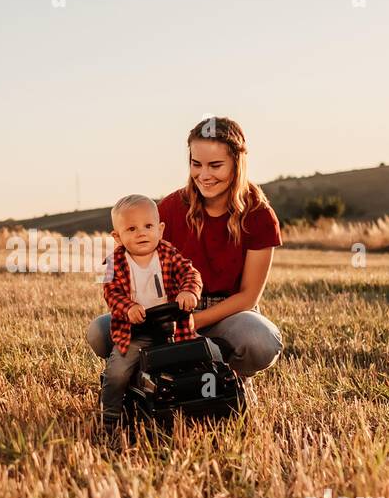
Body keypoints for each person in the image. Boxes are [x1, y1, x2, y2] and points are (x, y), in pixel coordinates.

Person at [86, 116, 283, 382]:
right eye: (196, 164)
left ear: (237, 163)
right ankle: (155, 371)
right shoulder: (170, 207)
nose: (204, 175)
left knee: (260, 340)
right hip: (171, 310)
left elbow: (248, 297)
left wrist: (194, 322)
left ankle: (231, 378)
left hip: (230, 314)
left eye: (215, 165)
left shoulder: (259, 215)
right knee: (100, 330)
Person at [98, 194, 208, 427]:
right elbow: (111, 293)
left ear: (160, 229)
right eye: (131, 228)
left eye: (148, 226)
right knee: (117, 372)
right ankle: (110, 417)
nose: (141, 233)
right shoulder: (112, 263)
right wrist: (128, 307)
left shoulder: (168, 253)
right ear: (117, 236)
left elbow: (191, 274)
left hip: (175, 330)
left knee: (207, 357)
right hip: (137, 332)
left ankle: (206, 403)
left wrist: (189, 291)